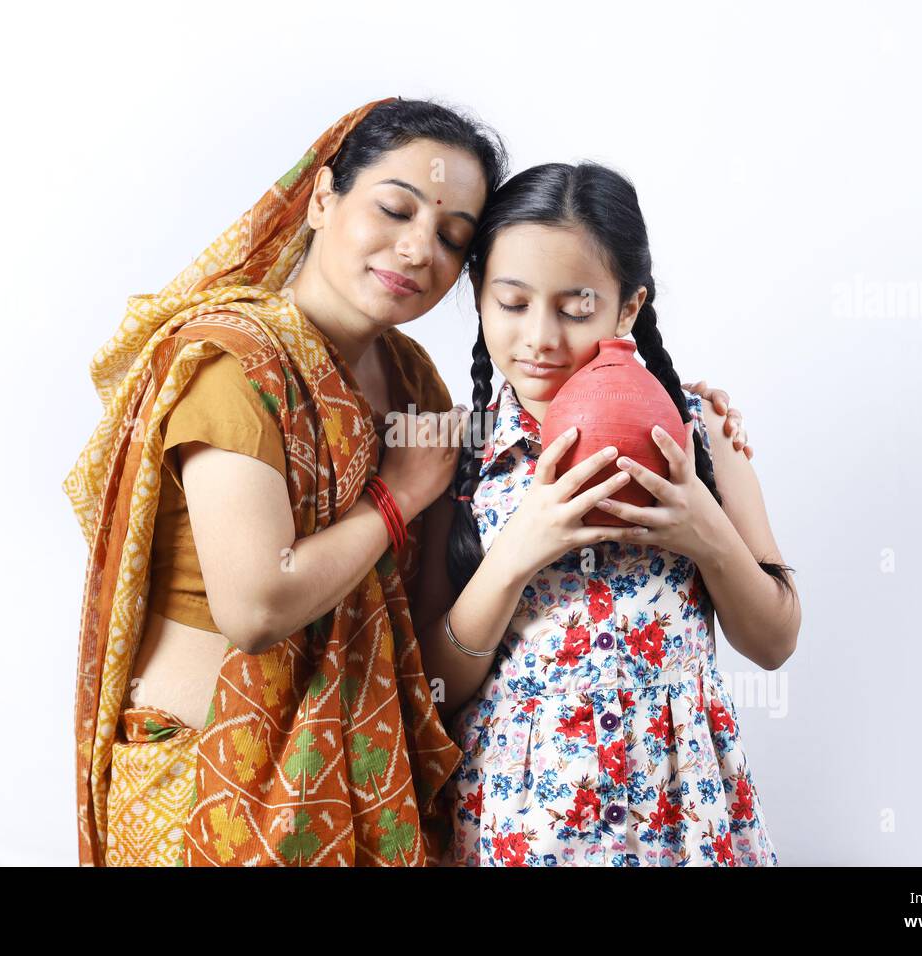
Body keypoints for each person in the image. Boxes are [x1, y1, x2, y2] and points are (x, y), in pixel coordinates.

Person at [65, 97, 753, 866]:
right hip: (200, 785)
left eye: (453, 236)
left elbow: (432, 624)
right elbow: (257, 609)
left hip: (349, 786)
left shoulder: (413, 384)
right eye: (395, 209)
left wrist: (662, 407)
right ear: (322, 198)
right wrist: (394, 501)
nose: (419, 248)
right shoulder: (235, 364)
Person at [420, 161, 801, 866]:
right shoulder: (457, 454)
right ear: (478, 295)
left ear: (628, 309)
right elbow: (435, 686)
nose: (539, 337)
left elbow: (775, 644)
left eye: (575, 308)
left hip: (680, 815)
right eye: (512, 302)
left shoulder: (699, 433)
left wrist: (707, 534)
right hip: (521, 819)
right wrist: (516, 552)